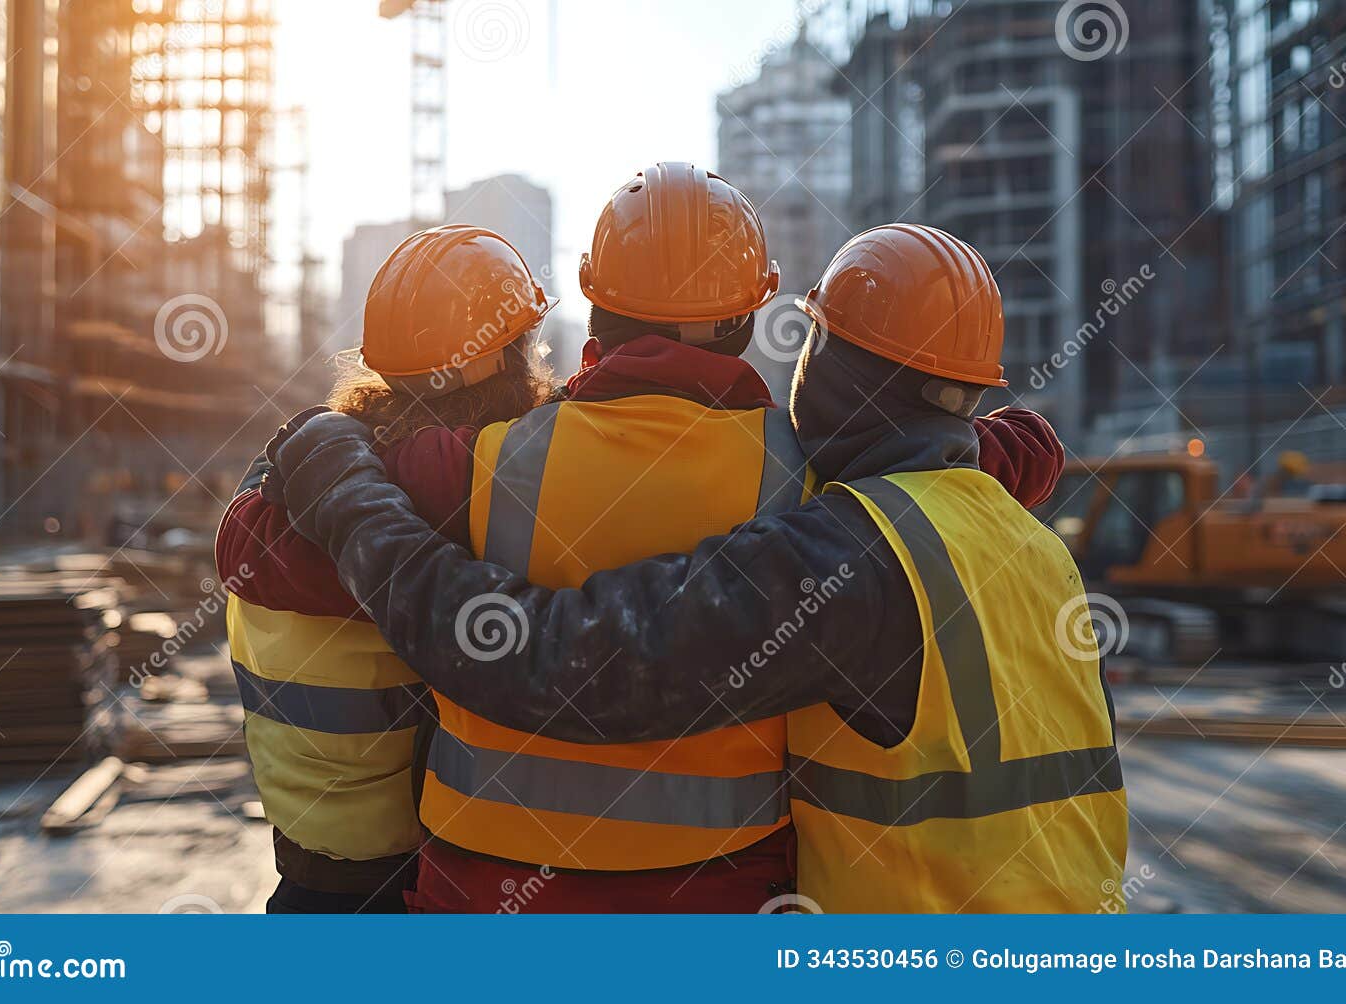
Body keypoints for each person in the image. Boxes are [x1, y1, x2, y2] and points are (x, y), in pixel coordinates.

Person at [266, 223, 1128, 913]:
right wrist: (1017, 446)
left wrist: (334, 473)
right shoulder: (1007, 533)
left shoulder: (845, 550)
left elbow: (550, 666)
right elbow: (980, 456)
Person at [219, 224, 558, 913]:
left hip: (307, 875)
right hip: (417, 876)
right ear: (501, 360)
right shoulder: (471, 484)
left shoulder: (274, 501)